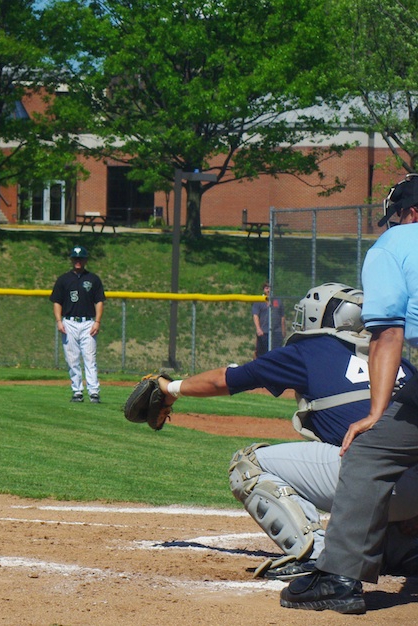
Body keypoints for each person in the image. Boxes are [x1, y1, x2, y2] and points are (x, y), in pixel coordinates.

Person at [148, 283, 418, 583]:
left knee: (248, 463)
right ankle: (403, 549)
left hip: (373, 477)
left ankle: (316, 554)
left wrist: (170, 388)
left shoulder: (309, 350)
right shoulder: (398, 361)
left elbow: (226, 379)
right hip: (410, 485)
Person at [280, 174, 418, 613]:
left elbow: (387, 332)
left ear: (411, 214)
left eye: (394, 216)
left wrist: (376, 412)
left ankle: (339, 576)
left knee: (370, 451)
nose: (390, 225)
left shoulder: (394, 246)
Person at [50, 245, 105, 403]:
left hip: (88, 322)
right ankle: (77, 391)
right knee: (72, 359)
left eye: (80, 258)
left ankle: (94, 392)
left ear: (86, 260)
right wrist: (59, 321)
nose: (78, 261)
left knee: (90, 359)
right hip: (69, 322)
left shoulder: (93, 279)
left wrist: (97, 321)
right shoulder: (64, 279)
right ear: (71, 259)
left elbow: (99, 301)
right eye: (75, 258)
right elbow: (57, 302)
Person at [252, 282, 286, 357]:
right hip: (264, 332)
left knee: (276, 354)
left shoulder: (278, 301)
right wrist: (258, 329)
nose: (269, 290)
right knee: (261, 354)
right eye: (267, 288)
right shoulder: (259, 301)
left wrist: (283, 330)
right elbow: (255, 315)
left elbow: (282, 317)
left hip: (276, 332)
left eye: (270, 288)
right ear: (264, 290)